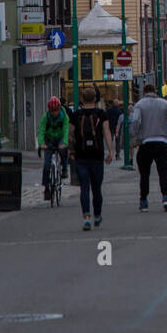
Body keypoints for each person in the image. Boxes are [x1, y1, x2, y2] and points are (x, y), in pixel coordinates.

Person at [70, 88, 114, 231]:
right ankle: (97, 215)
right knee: (96, 188)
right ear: (95, 99)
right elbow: (107, 132)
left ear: (82, 99)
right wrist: (111, 151)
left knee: (84, 187)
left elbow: (70, 134)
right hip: (97, 155)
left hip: (81, 155)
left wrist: (71, 151)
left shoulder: (76, 115)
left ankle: (86, 217)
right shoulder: (101, 114)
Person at [130, 83, 167, 212]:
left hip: (146, 142)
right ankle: (166, 197)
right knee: (163, 172)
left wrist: (137, 135)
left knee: (144, 174)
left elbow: (134, 121)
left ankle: (144, 200)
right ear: (155, 91)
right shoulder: (164, 103)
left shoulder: (139, 104)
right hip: (162, 141)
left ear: (144, 92)